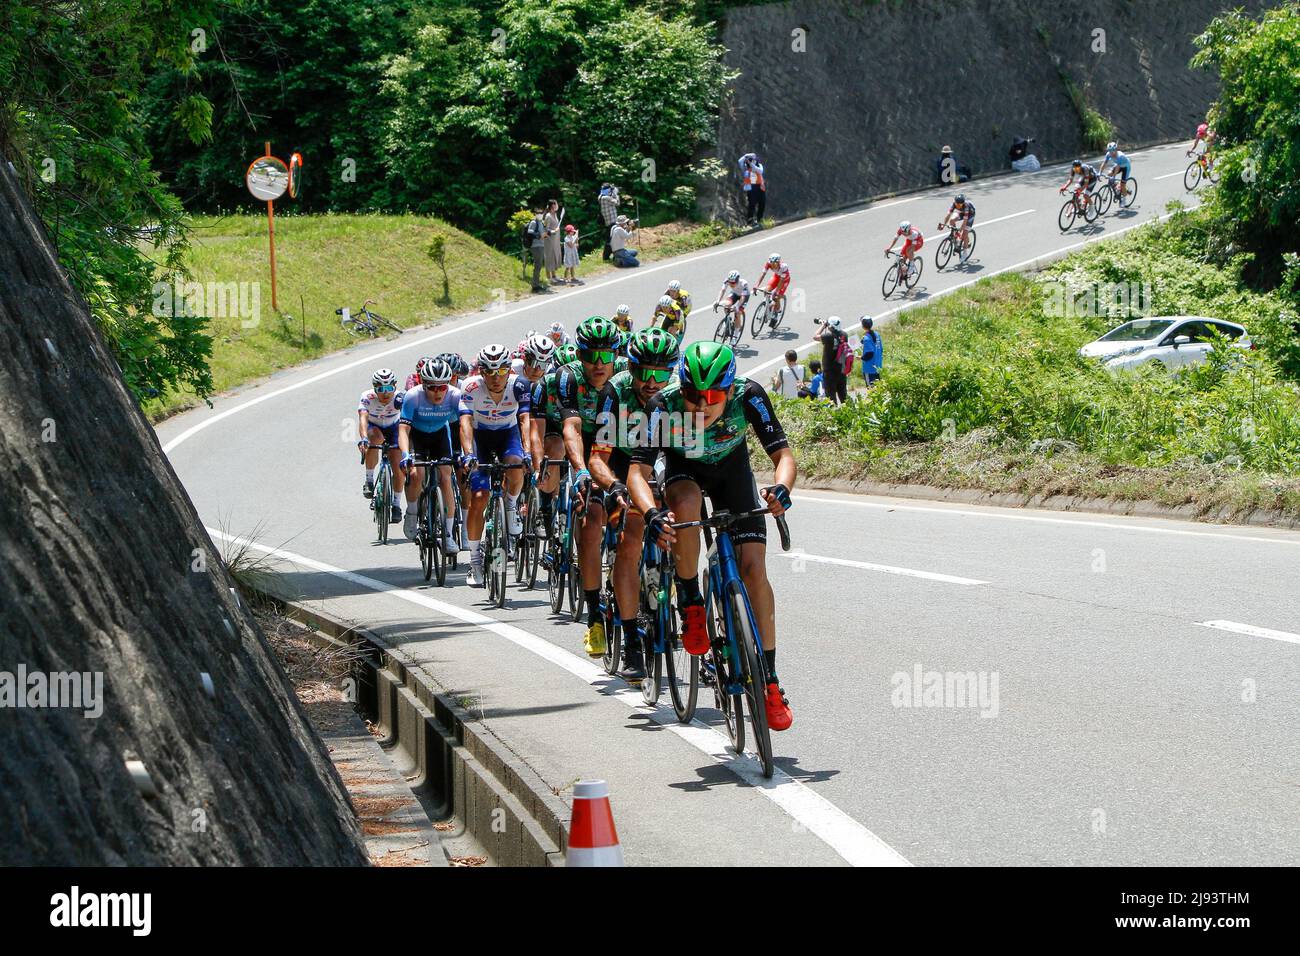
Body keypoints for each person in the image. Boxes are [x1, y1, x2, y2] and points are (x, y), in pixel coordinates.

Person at [627, 341, 798, 731]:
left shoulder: (749, 395)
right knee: (685, 503)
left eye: (713, 396)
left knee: (753, 571)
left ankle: (769, 680)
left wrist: (782, 489)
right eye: (692, 395)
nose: (701, 406)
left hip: (733, 473)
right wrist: (652, 513)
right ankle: (690, 599)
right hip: (684, 471)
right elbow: (638, 472)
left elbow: (782, 456)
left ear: (730, 389)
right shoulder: (662, 406)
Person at [590, 327, 680, 681]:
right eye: (644, 372)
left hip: (660, 465)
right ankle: (629, 640)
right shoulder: (616, 391)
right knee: (630, 540)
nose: (651, 382)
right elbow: (598, 456)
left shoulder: (676, 395)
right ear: (632, 368)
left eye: (660, 374)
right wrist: (612, 486)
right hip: (620, 464)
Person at [555, 316, 627, 655]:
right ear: (580, 354)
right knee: (590, 518)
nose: (598, 364)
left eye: (605, 355)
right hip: (584, 445)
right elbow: (570, 427)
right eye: (590, 356)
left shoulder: (627, 371)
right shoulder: (568, 377)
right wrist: (581, 471)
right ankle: (595, 617)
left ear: (615, 353)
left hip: (619, 444)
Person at [457, 344, 531, 587]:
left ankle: (510, 504)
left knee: (516, 463)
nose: (495, 378)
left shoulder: (519, 385)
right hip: (480, 437)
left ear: (508, 370)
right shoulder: (470, 387)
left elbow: (525, 420)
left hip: (507, 435)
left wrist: (529, 451)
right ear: (481, 371)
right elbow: (465, 423)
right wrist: (468, 454)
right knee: (479, 496)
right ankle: (475, 560)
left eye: (501, 372)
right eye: (489, 372)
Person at [397, 358, 461, 549]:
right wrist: (405, 454)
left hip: (441, 435)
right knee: (417, 474)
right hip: (417, 436)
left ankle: (448, 535)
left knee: (446, 478)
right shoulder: (413, 396)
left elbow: (463, 426)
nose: (437, 392)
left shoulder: (455, 395)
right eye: (432, 388)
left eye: (442, 387)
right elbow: (403, 430)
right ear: (423, 385)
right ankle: (412, 511)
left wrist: (463, 452)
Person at [357, 368, 406, 525]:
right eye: (381, 389)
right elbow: (363, 418)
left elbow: (407, 421)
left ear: (395, 386)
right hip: (374, 426)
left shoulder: (400, 397)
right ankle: (369, 480)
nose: (385, 393)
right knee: (374, 439)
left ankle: (396, 505)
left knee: (398, 468)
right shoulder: (367, 397)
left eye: (389, 388)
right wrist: (363, 438)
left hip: (394, 427)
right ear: (374, 388)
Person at [813, 316, 848, 405]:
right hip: (841, 370)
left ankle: (834, 415)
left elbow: (815, 336)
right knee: (844, 396)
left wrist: (823, 325)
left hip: (830, 373)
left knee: (831, 398)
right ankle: (850, 414)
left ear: (831, 326)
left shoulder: (828, 336)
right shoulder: (844, 335)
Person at [713, 270, 750, 338]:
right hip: (734, 294)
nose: (731, 284)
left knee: (737, 312)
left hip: (744, 296)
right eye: (730, 282)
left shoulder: (744, 283)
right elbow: (723, 290)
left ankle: (736, 334)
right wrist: (717, 301)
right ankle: (727, 320)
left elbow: (742, 297)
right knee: (726, 305)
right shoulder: (727, 280)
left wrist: (737, 306)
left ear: (738, 280)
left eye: (733, 282)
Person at [757, 252, 791, 318]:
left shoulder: (784, 267)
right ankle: (768, 305)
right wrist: (756, 285)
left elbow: (781, 281)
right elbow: (763, 274)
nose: (772, 265)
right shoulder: (768, 264)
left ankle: (777, 311)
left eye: (774, 263)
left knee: (776, 296)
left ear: (778, 262)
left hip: (784, 280)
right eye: (771, 263)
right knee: (766, 290)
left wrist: (776, 291)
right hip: (776, 277)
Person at [523, 207, 546, 292]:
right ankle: (535, 286)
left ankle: (536, 284)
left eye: (541, 213)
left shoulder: (541, 223)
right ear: (535, 214)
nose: (540, 215)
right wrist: (539, 236)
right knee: (538, 265)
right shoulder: (534, 222)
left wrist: (548, 233)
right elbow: (530, 232)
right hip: (535, 246)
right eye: (538, 213)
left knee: (539, 265)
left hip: (541, 245)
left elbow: (543, 233)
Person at [740, 153, 767, 225]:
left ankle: (759, 219)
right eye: (751, 159)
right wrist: (746, 156)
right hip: (751, 188)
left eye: (753, 159)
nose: (752, 160)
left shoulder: (759, 166)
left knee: (762, 203)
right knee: (752, 204)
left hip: (760, 187)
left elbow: (759, 171)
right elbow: (740, 161)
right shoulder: (745, 167)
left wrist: (751, 163)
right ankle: (750, 221)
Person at [598, 183, 620, 261]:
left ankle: (611, 255)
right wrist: (616, 194)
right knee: (611, 240)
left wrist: (613, 193)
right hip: (612, 222)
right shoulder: (606, 198)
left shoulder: (601, 197)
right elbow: (617, 203)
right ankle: (606, 256)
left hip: (610, 222)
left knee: (611, 239)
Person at [543, 200, 563, 283]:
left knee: (554, 257)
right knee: (549, 257)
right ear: (552, 206)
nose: (557, 206)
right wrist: (554, 231)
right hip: (549, 241)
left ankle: (554, 276)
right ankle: (549, 277)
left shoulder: (555, 214)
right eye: (556, 204)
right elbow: (545, 230)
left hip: (556, 240)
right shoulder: (548, 216)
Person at [859, 316, 882, 386]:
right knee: (879, 388)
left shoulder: (867, 338)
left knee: (871, 390)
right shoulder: (877, 335)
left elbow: (869, 354)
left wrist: (861, 357)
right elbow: (881, 349)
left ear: (863, 326)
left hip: (869, 369)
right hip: (878, 366)